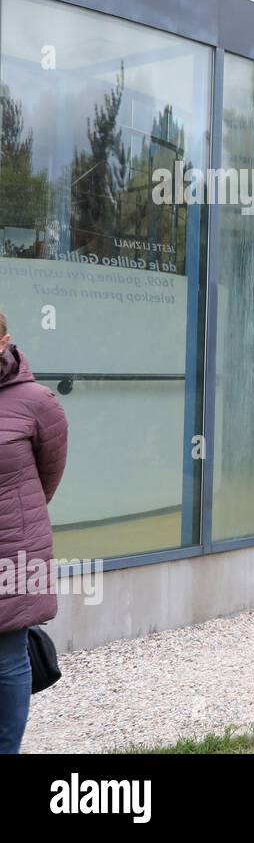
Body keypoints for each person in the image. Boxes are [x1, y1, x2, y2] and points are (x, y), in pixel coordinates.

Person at [0, 309, 68, 753]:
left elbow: (48, 475)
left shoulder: (37, 401)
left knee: (7, 656)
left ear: (4, 340)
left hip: (12, 547)